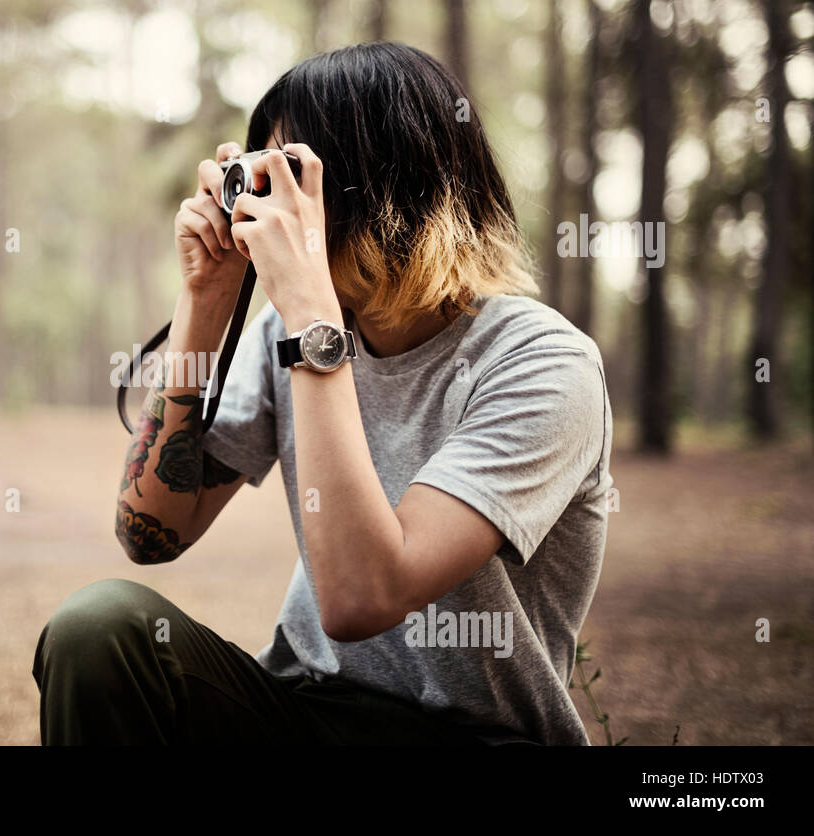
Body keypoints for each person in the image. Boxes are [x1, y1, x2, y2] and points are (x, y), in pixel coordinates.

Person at [33, 41, 612, 745]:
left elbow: (363, 597)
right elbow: (150, 534)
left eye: (291, 178)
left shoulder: (542, 363)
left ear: (386, 186)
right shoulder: (294, 326)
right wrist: (205, 302)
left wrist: (310, 317)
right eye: (258, 179)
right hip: (307, 707)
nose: (265, 208)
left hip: (476, 734)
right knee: (100, 628)